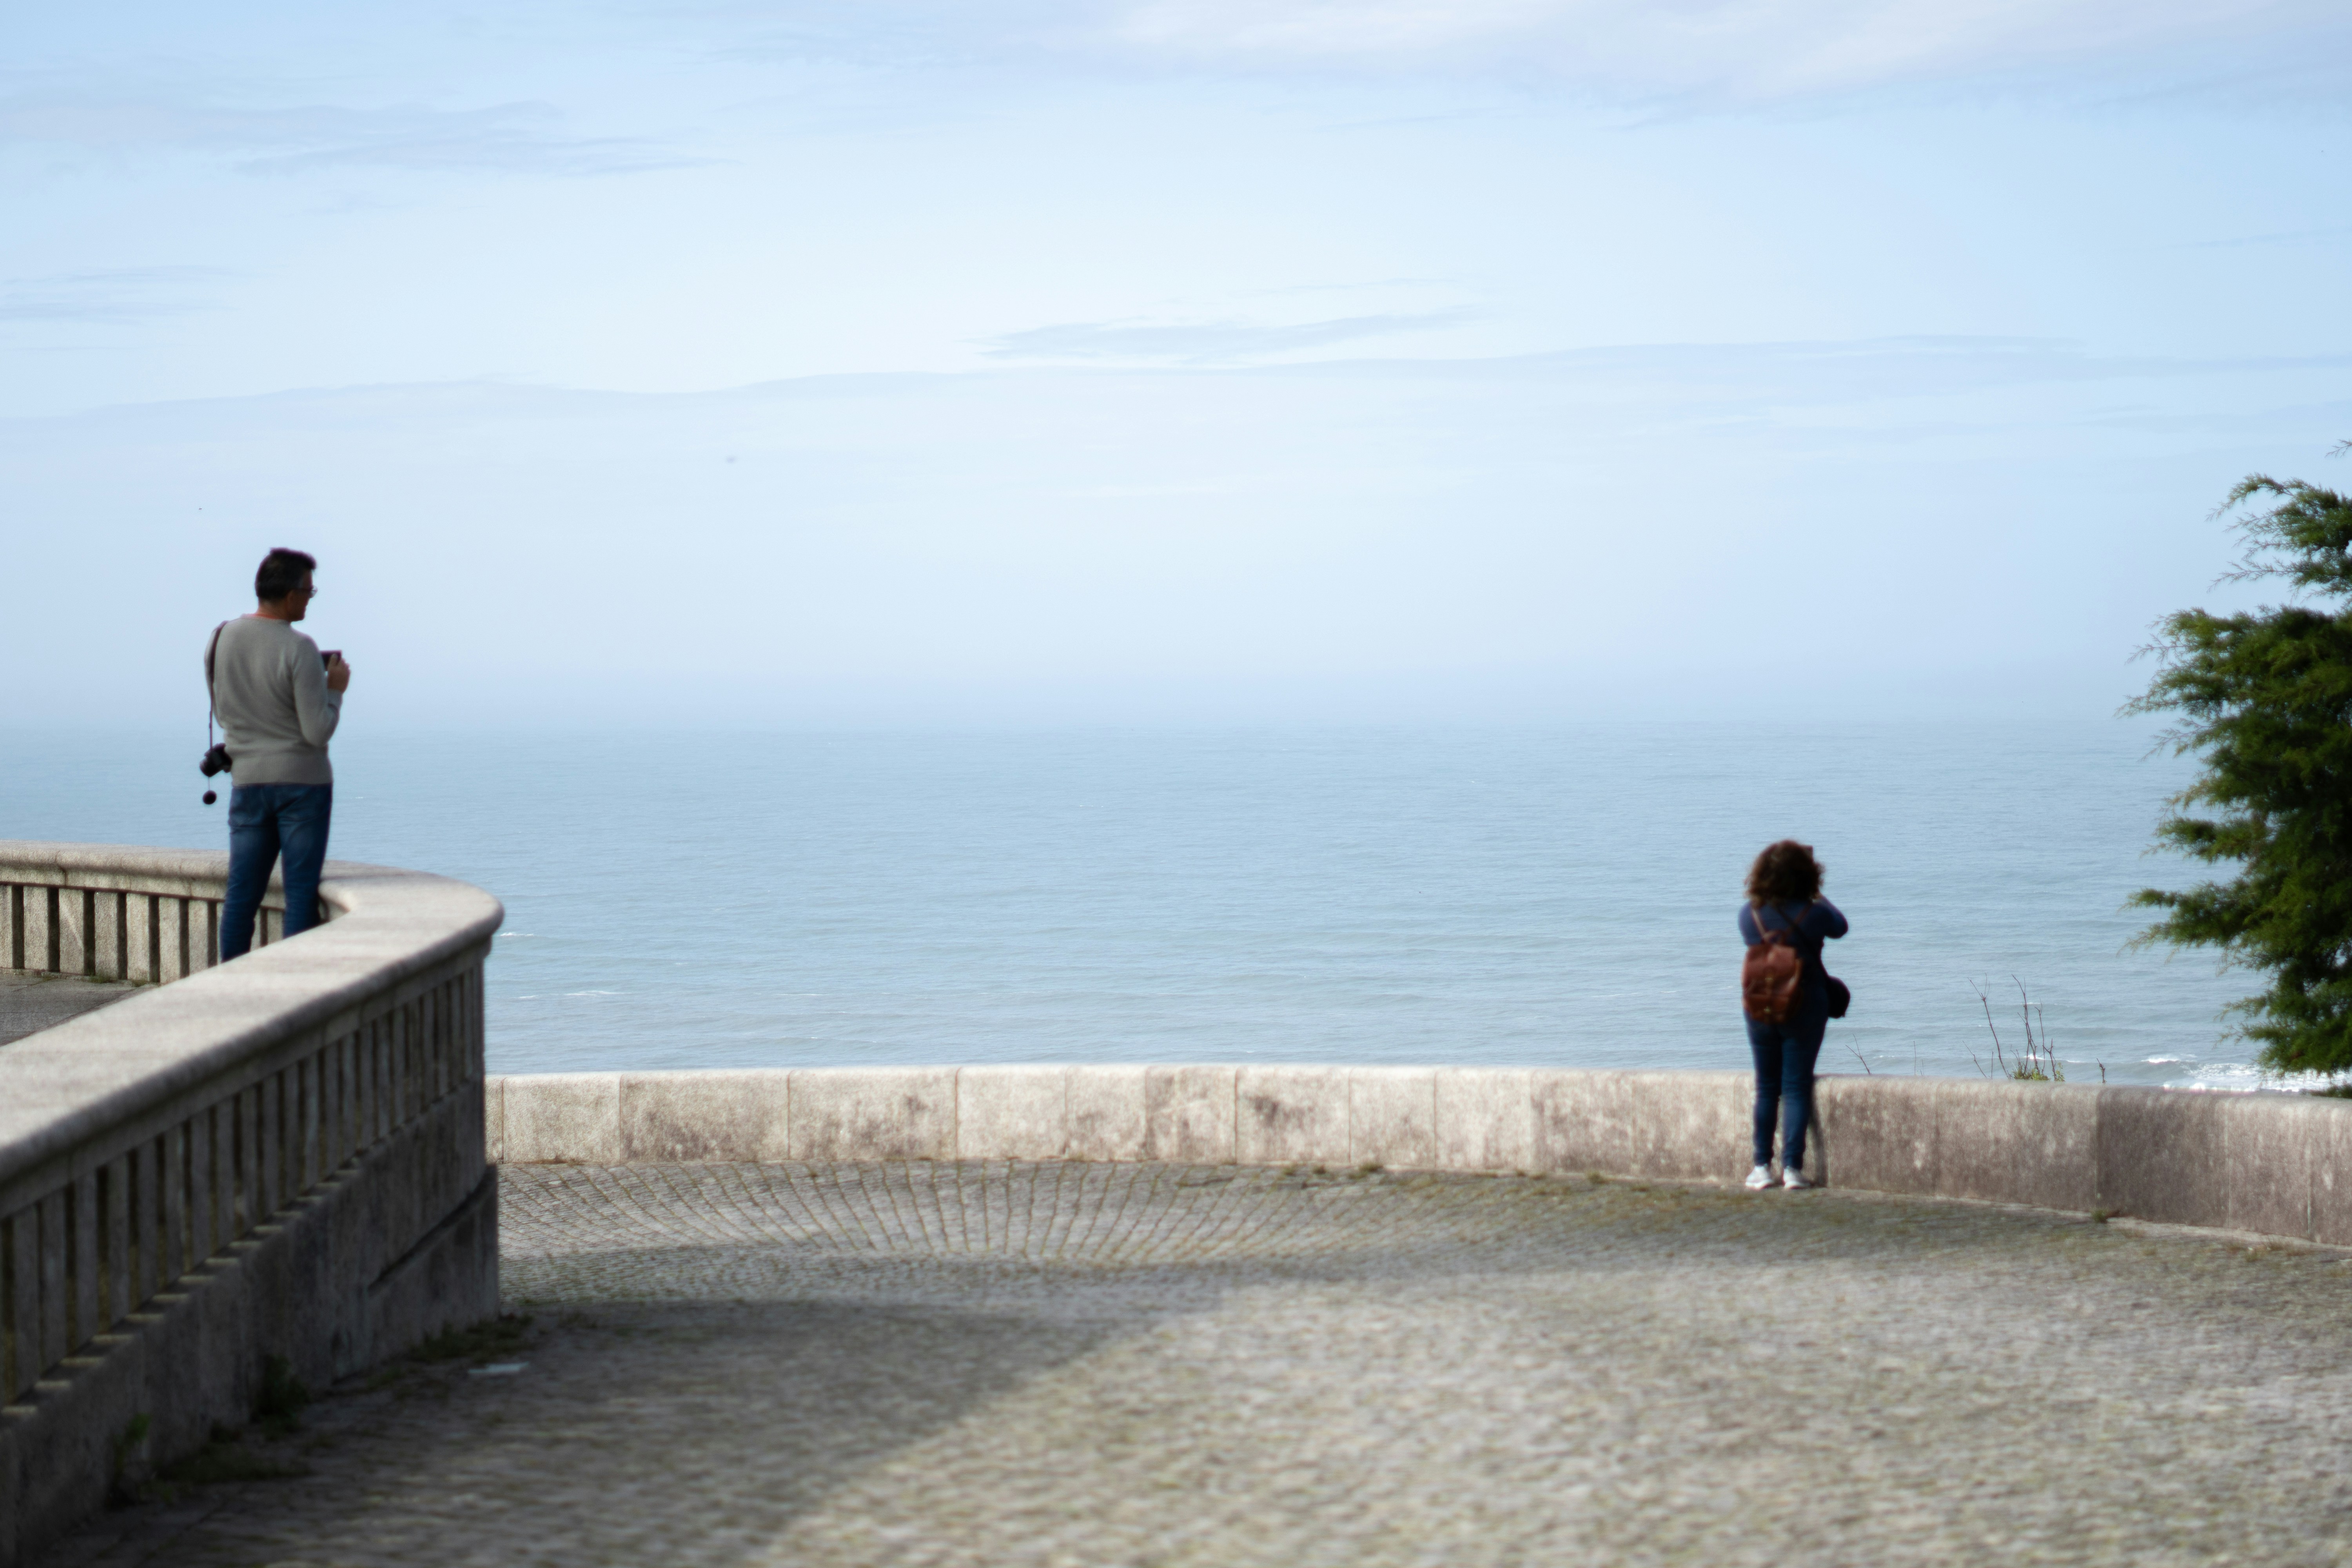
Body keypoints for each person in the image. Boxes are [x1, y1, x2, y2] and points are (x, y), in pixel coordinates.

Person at [207, 548, 352, 960]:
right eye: (309, 591)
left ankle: (230, 982)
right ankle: (293, 991)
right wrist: (335, 690)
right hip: (303, 785)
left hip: (248, 782)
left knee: (242, 894)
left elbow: (223, 709)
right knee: (301, 894)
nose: (309, 599)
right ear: (291, 595)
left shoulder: (220, 638)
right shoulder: (299, 647)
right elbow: (317, 731)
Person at [1738, 839, 1847, 1191]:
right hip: (1805, 1004)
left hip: (1760, 1007)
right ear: (1808, 875)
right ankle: (1793, 1170)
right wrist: (1818, 896)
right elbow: (1840, 927)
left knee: (1767, 1087)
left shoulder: (1749, 915)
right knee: (1797, 1086)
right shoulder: (1815, 913)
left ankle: (1760, 1168)